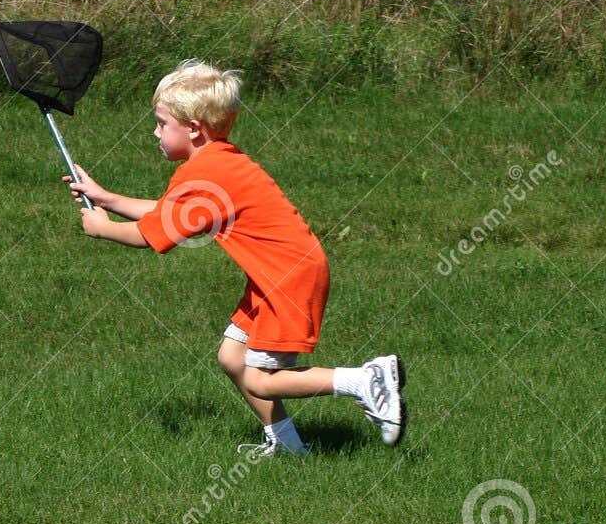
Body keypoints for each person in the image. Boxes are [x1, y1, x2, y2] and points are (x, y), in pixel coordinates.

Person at [68, 59, 405, 455]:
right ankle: (288, 446)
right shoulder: (219, 162)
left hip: (287, 279)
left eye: (161, 123)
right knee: (233, 358)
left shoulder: (203, 175)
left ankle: (365, 380)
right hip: (278, 273)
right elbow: (170, 213)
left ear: (193, 129)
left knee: (261, 378)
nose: (154, 132)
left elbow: (149, 235)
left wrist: (103, 227)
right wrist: (107, 199)